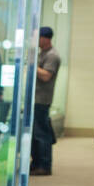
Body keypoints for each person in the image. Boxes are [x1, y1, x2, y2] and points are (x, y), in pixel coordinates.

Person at [31, 26, 61, 177]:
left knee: (42, 134)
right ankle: (36, 163)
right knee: (36, 133)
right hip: (36, 99)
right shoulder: (42, 53)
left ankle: (44, 165)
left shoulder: (52, 56)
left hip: (42, 100)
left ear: (46, 39)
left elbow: (46, 76)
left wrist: (33, 66)